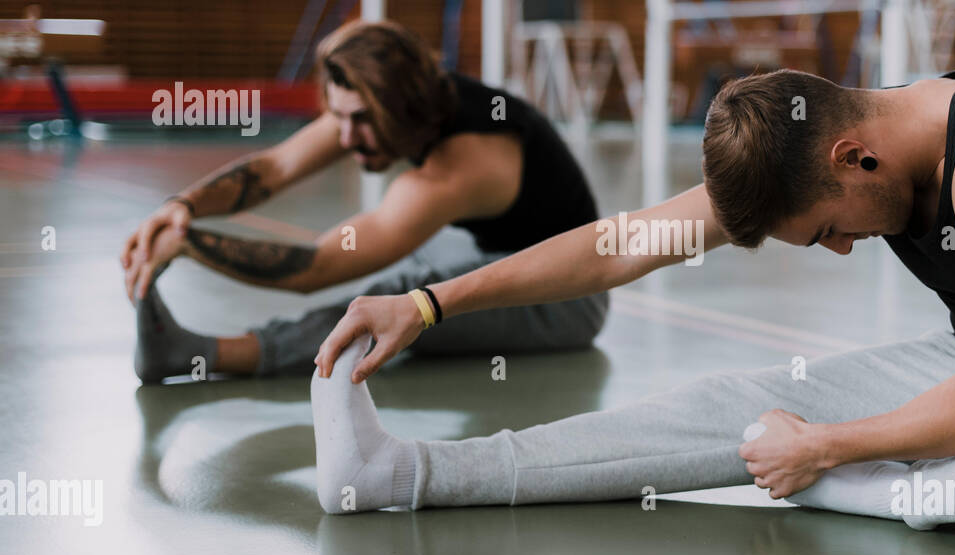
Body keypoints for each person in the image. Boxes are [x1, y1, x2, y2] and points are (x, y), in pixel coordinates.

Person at [309, 67, 955, 529]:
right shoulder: (818, 146)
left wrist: (822, 448)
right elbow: (620, 246)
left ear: (852, 158)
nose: (835, 248)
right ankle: (405, 475)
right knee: (736, 407)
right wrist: (429, 303)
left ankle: (870, 491)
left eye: (825, 226)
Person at [123, 19, 607, 382]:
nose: (344, 136)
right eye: (338, 117)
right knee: (414, 254)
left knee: (402, 293)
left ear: (396, 112)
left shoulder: (456, 170)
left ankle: (197, 354)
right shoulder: (402, 101)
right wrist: (183, 207)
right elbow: (276, 167)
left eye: (358, 122)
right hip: (497, 250)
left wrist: (191, 245)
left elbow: (317, 268)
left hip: (564, 297)